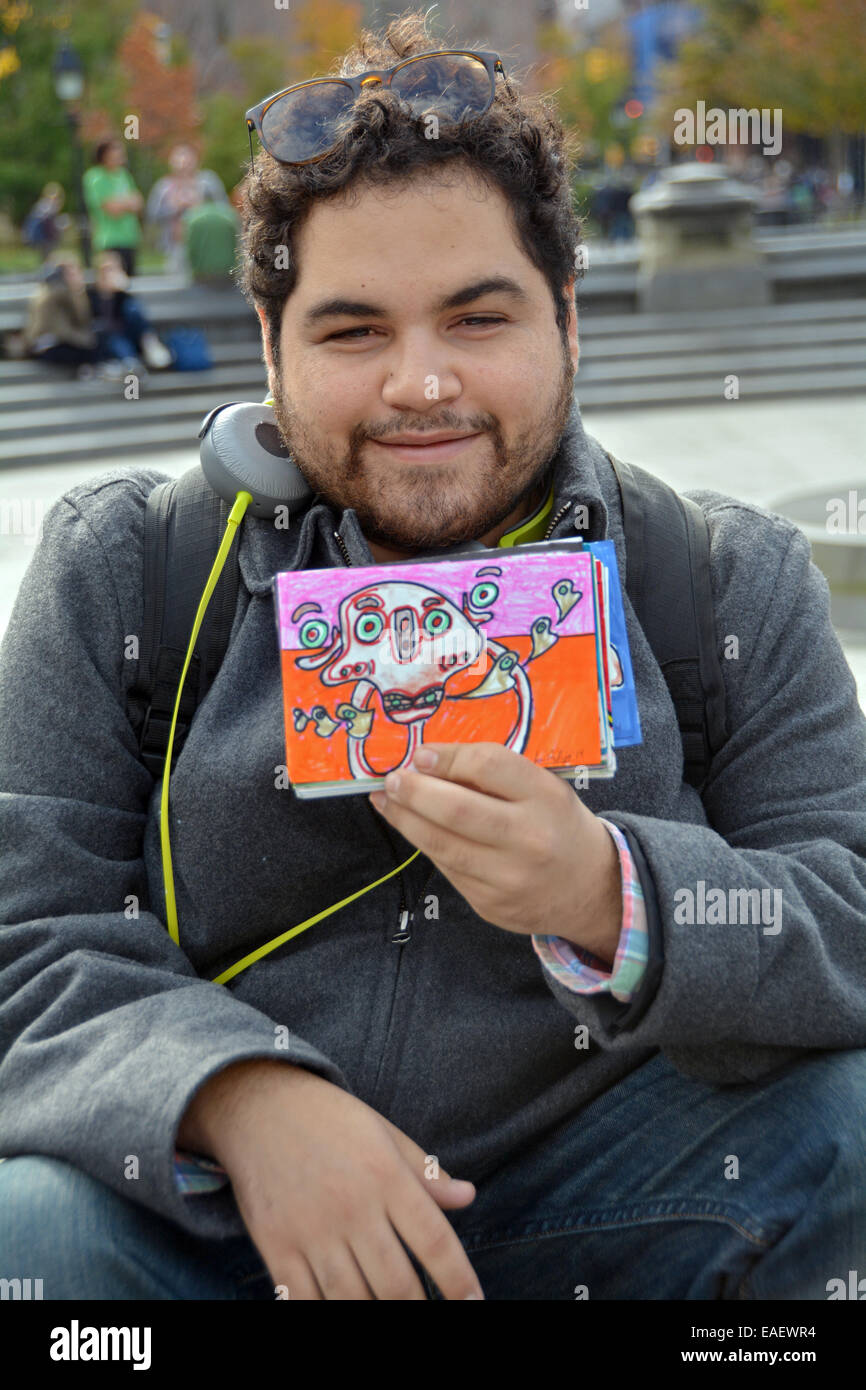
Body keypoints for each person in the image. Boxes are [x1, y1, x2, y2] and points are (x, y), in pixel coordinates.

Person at [0, 9, 865, 1303]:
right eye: (352, 332)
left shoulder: (719, 576)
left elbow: (842, 913)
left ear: (566, 318)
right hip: (225, 1233)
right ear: (269, 342)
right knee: (32, 1233)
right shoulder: (128, 566)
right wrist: (234, 1096)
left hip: (614, 1198)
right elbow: (28, 942)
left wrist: (612, 896)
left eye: (476, 318)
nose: (419, 384)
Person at [146, 143, 228, 275]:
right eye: (180, 163)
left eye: (188, 162)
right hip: (176, 246)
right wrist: (174, 208)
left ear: (196, 161)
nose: (184, 166)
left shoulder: (208, 182)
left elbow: (223, 209)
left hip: (206, 245)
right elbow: (152, 215)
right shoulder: (164, 186)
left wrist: (200, 207)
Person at [87, 250, 173, 370]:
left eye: (113, 269)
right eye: (106, 269)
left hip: (130, 332)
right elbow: (97, 319)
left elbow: (135, 316)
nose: (109, 274)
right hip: (107, 337)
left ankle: (149, 342)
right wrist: (105, 293)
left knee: (132, 307)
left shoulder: (124, 295)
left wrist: (124, 289)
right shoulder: (92, 294)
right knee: (116, 341)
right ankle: (132, 363)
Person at [19, 253, 102, 373]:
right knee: (89, 350)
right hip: (47, 346)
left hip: (60, 342)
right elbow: (65, 329)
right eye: (70, 274)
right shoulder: (55, 294)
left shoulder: (63, 293)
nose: (76, 277)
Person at [82, 138, 143, 278]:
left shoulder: (123, 175)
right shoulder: (95, 177)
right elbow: (111, 209)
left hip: (130, 239)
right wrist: (127, 203)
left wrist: (123, 204)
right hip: (109, 241)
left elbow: (139, 202)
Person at [21, 181, 68, 261]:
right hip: (44, 237)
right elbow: (50, 224)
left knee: (46, 257)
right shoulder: (47, 207)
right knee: (48, 257)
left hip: (43, 237)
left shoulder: (41, 206)